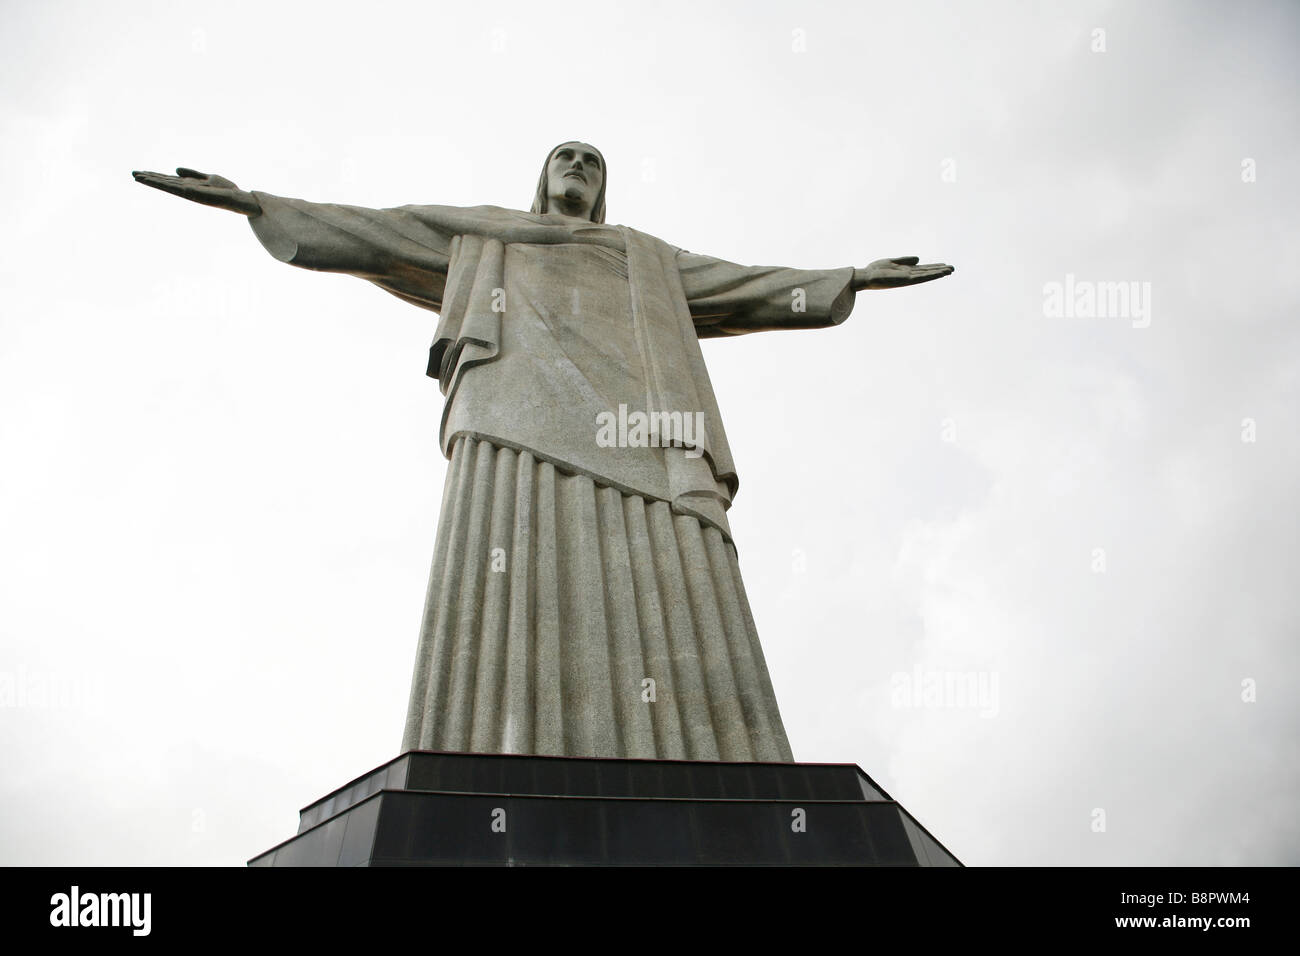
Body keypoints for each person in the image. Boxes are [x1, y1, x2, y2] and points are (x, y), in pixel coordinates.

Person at [133, 141, 953, 762]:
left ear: (604, 190)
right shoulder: (487, 235)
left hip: (643, 430)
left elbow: (746, 285)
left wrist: (851, 277)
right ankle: (490, 746)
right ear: (542, 176)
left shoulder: (645, 258)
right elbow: (378, 232)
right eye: (566, 156)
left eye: (593, 163)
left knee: (666, 567)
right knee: (515, 554)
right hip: (515, 415)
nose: (579, 167)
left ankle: (708, 757)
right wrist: (251, 202)